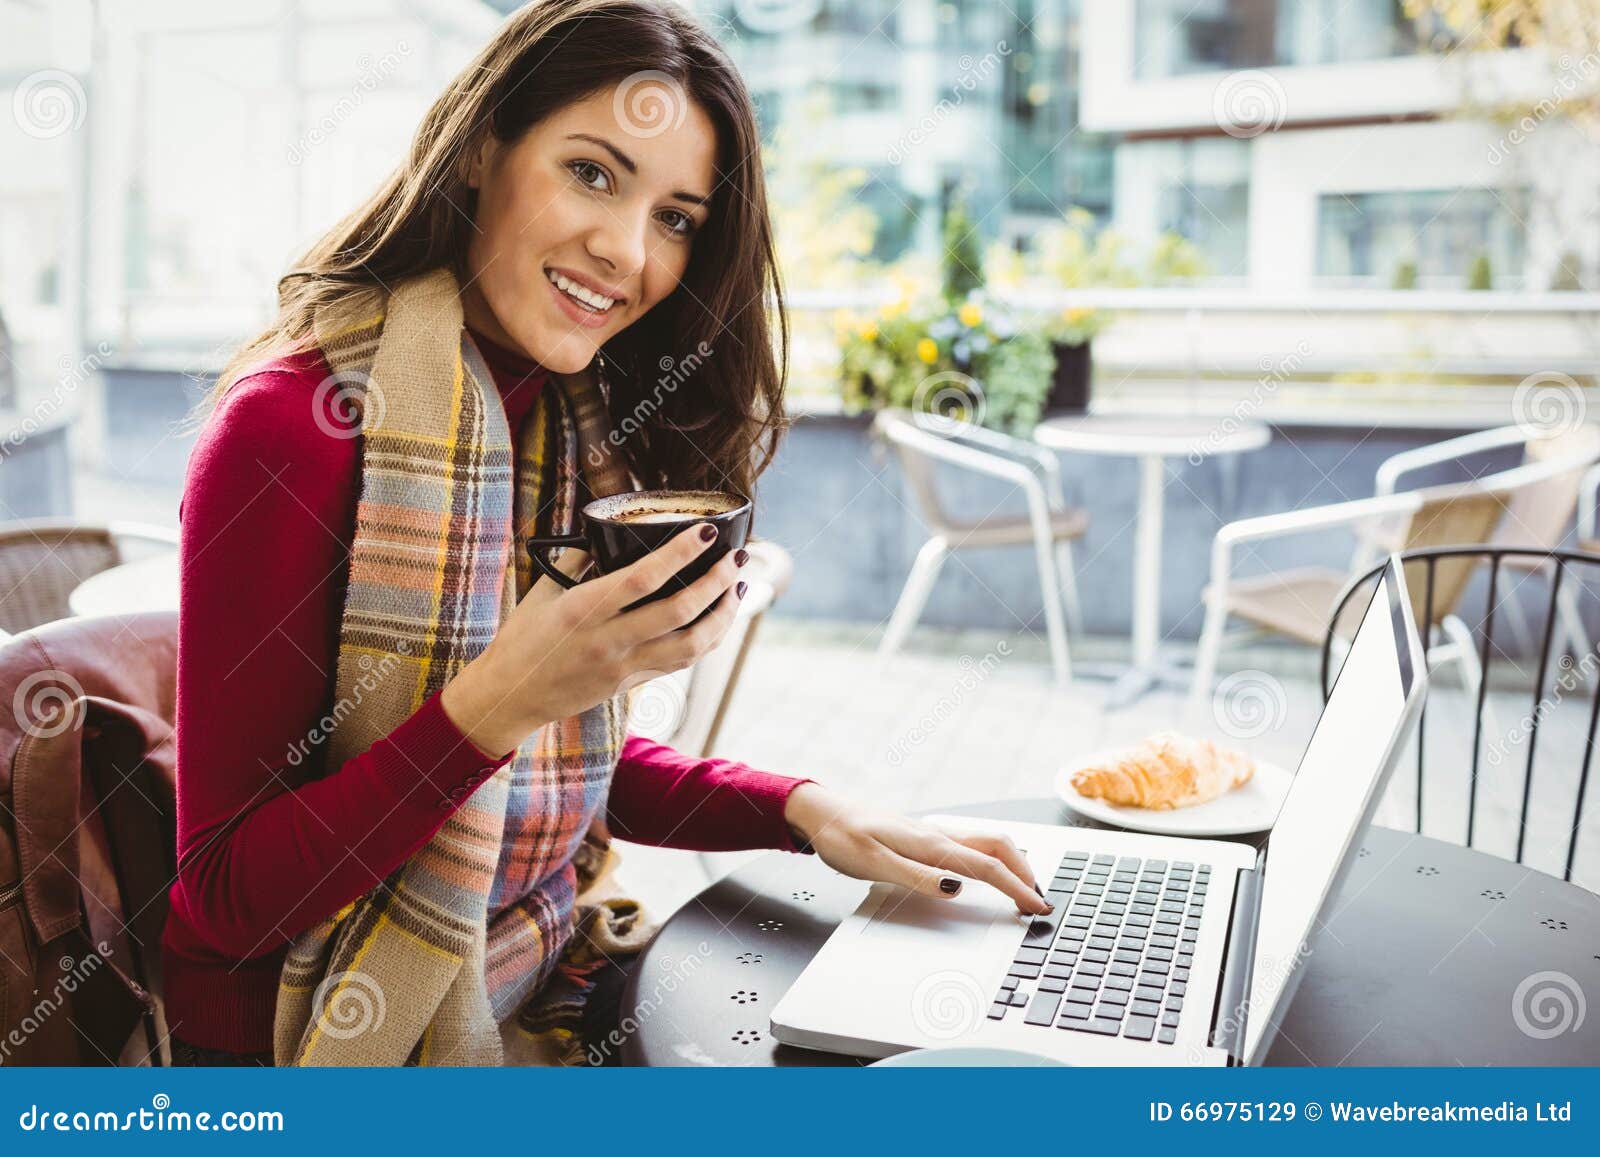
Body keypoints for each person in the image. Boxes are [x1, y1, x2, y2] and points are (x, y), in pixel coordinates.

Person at [161, 0, 1047, 1068]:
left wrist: (809, 809)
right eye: (592, 172)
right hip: (304, 1039)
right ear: (485, 148)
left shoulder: (569, 415)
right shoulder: (292, 426)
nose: (626, 250)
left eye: (676, 216)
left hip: (534, 966)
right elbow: (220, 900)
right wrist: (508, 695)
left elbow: (545, 767)